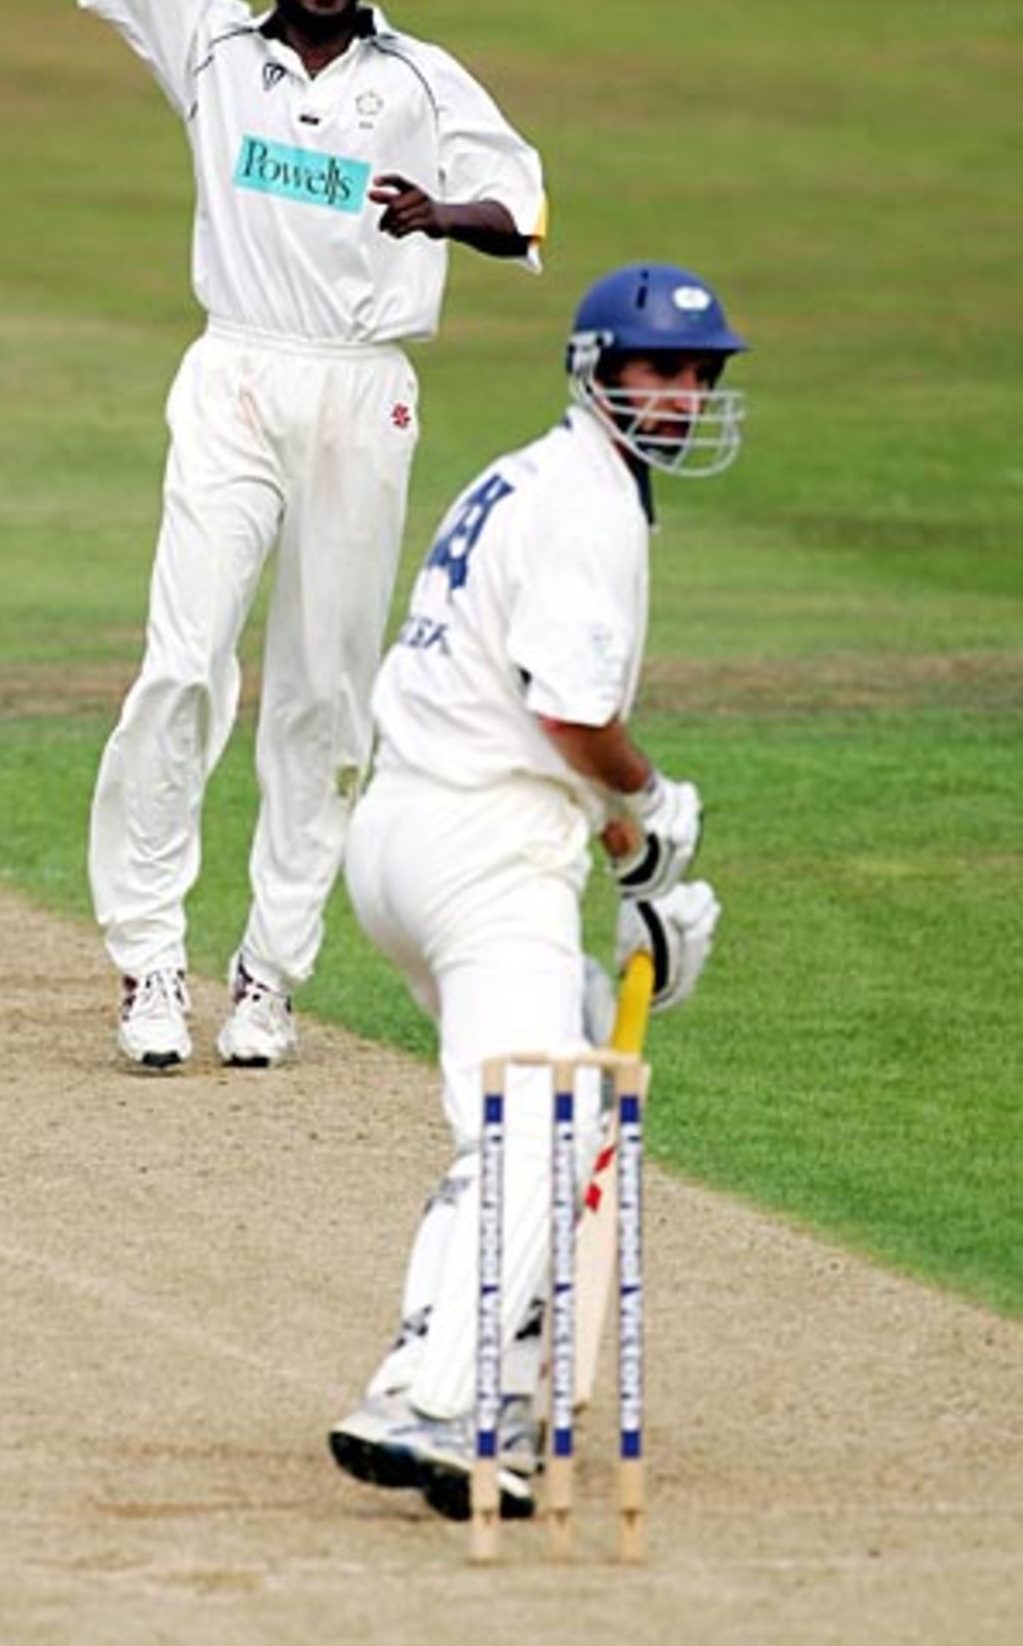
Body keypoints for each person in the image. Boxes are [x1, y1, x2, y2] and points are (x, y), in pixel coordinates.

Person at [31, 0, 547, 1072]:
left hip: (363, 387)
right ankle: (148, 963)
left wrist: (442, 209)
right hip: (239, 375)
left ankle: (268, 971)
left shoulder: (421, 77)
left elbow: (521, 206)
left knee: (325, 690)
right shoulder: (210, 48)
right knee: (183, 661)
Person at [329, 260, 747, 1522]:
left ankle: (487, 1404)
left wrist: (631, 871)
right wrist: (656, 803)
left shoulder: (527, 472)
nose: (676, 396)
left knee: (547, 1087)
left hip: (405, 833)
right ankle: (428, 1396)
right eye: (656, 371)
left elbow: (508, 705)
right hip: (482, 847)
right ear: (598, 372)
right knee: (541, 1126)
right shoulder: (590, 504)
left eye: (695, 374)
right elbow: (570, 713)